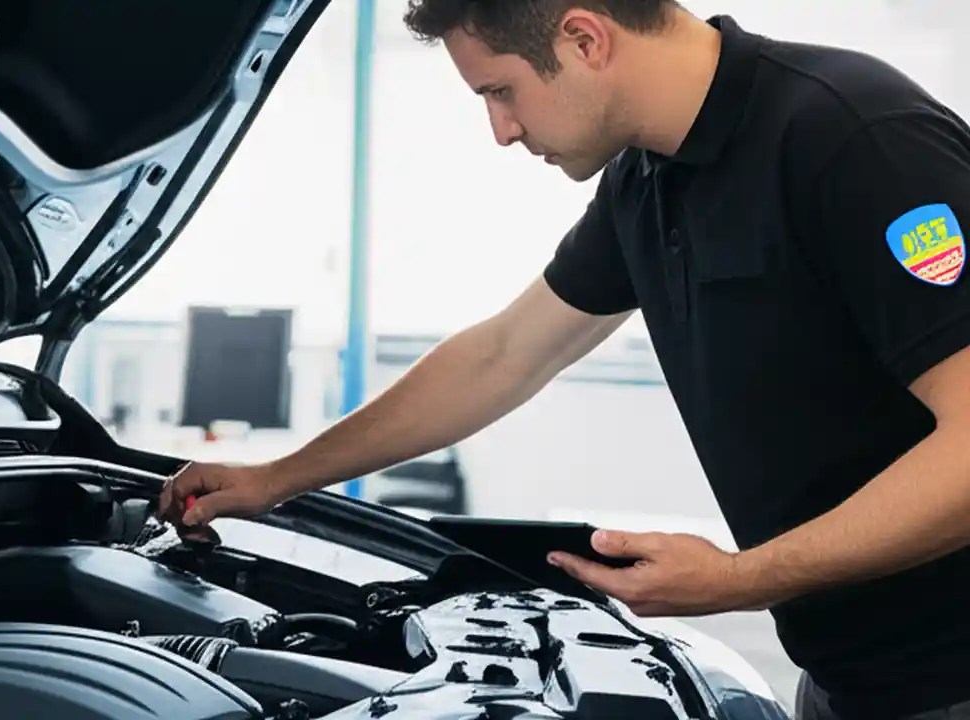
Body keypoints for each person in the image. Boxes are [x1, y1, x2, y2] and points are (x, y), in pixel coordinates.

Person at [159, 1, 970, 718]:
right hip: (850, 678)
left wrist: (742, 578)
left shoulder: (854, 137)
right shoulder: (647, 179)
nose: (501, 130)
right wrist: (278, 478)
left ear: (584, 38)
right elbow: (505, 354)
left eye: (500, 91)